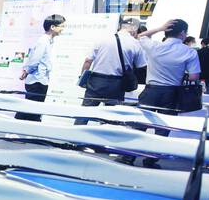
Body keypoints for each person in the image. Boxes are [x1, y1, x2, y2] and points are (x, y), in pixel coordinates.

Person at [135, 18, 202, 168]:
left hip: (150, 91)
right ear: (183, 33)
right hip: (172, 93)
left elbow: (140, 36)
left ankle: (127, 157)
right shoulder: (189, 52)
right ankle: (150, 159)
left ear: (167, 31)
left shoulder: (154, 46)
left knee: (140, 124)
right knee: (163, 128)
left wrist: (160, 28)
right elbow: (194, 77)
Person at [79, 17, 146, 108]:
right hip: (116, 84)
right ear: (134, 28)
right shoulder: (136, 44)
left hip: (96, 81)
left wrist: (83, 78)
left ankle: (80, 122)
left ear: (120, 26)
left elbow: (88, 61)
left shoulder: (102, 38)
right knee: (112, 116)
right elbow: (141, 66)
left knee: (84, 113)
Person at [17, 15, 65, 121]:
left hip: (40, 80)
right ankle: (14, 130)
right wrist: (27, 71)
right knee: (31, 109)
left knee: (32, 109)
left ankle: (23, 131)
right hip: (37, 81)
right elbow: (35, 60)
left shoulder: (49, 41)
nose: (63, 29)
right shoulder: (43, 41)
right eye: (61, 26)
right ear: (52, 27)